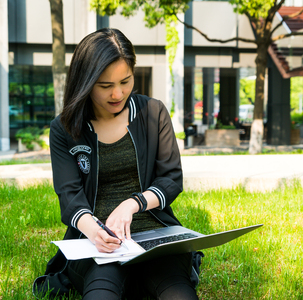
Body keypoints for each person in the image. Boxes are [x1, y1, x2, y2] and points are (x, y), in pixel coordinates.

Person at [35, 28, 199, 300]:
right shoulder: (64, 129)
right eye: (105, 85)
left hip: (154, 233)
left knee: (178, 294)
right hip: (97, 241)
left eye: (126, 81)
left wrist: (131, 204)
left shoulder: (153, 112)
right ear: (85, 82)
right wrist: (93, 230)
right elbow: (69, 196)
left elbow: (170, 179)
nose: (118, 93)